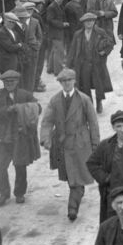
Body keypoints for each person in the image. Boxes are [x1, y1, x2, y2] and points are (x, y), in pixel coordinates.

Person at [40, 68, 100, 221]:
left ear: (74, 81)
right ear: (60, 83)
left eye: (69, 80)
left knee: (77, 177)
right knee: (70, 175)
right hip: (62, 143)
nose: (66, 84)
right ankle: (76, 196)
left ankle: (72, 208)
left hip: (80, 143)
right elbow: (47, 121)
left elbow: (93, 124)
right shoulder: (55, 100)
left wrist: (95, 145)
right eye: (63, 81)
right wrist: (46, 138)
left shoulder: (84, 99)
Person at [0, 70, 41, 207]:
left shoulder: (25, 94)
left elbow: (38, 108)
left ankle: (20, 193)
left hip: (19, 138)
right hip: (2, 138)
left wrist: (22, 108)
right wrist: (6, 110)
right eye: (6, 82)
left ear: (17, 82)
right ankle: (3, 194)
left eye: (12, 82)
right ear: (3, 83)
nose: (9, 84)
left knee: (20, 166)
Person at [66, 12, 115, 114]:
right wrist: (68, 65)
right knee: (85, 85)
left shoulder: (100, 32)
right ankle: (89, 105)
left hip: (96, 63)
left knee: (98, 85)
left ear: (94, 22)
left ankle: (99, 102)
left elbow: (110, 44)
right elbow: (72, 49)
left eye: (91, 21)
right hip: (83, 64)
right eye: (87, 21)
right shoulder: (78, 34)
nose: (89, 23)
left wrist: (104, 52)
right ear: (83, 23)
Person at [45, 0, 68, 75]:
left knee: (54, 51)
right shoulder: (52, 7)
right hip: (55, 32)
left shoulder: (59, 6)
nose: (61, 0)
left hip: (58, 32)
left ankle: (50, 69)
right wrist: (62, 24)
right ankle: (58, 71)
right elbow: (50, 20)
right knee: (59, 51)